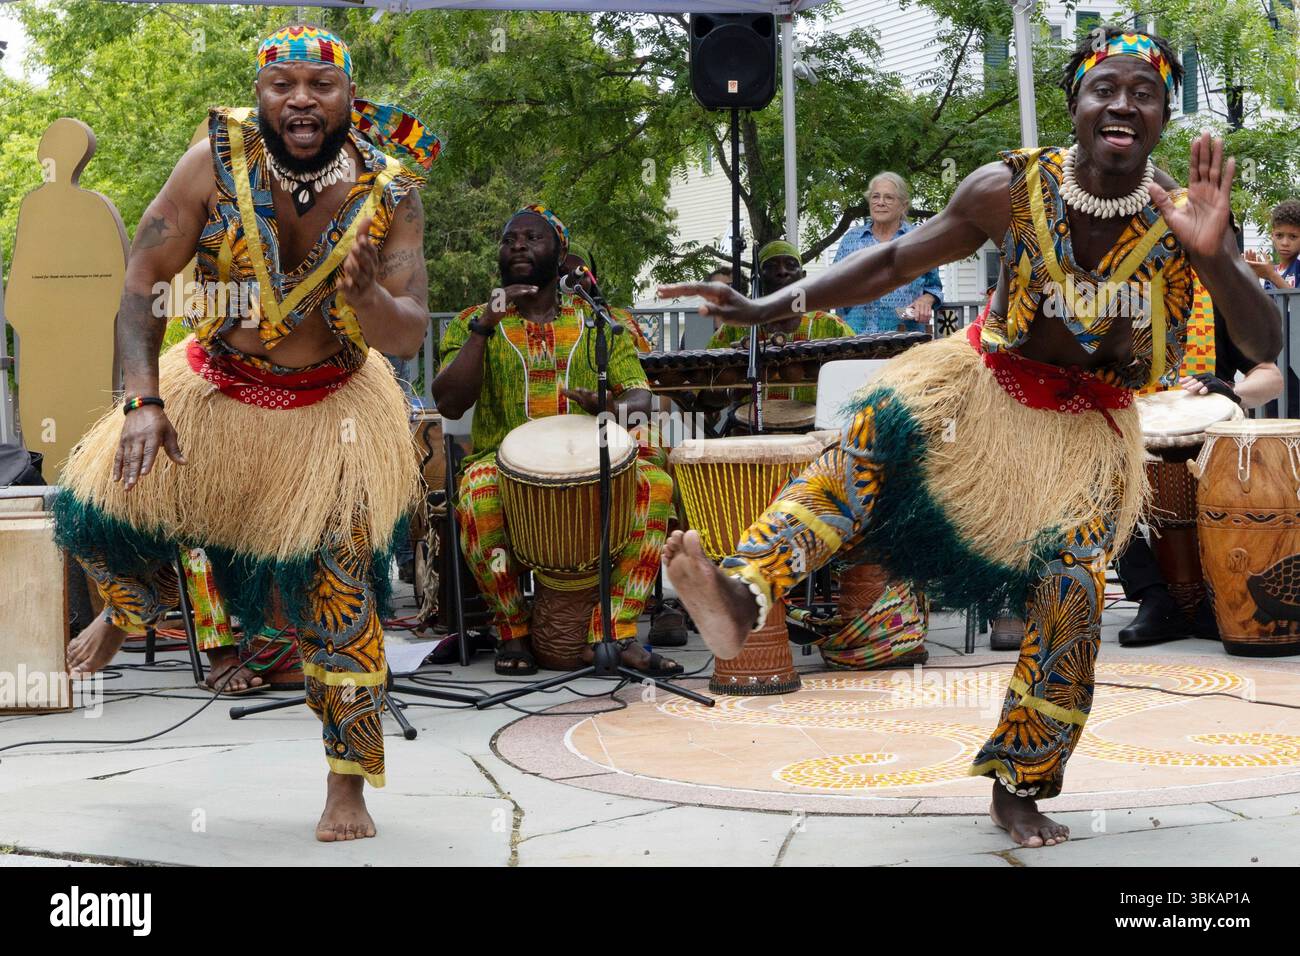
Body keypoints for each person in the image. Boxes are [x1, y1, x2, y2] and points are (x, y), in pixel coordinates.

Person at [659, 27, 1281, 848]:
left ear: (1164, 115)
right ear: (1077, 105)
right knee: (875, 434)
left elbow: (1264, 339)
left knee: (1072, 591)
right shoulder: (1007, 188)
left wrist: (1215, 257)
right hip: (983, 384)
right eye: (1107, 88)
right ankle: (743, 592)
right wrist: (772, 306)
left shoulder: (1185, 213)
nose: (1123, 103)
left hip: (1086, 429)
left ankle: (1021, 782)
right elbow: (890, 265)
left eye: (1145, 92)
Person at [52, 24, 440, 841]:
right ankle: (126, 613)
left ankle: (346, 787)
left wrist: (368, 296)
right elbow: (144, 279)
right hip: (218, 387)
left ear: (347, 97)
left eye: (319, 87)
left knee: (340, 599)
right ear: (260, 95)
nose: (300, 100)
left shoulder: (390, 191)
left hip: (330, 406)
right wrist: (143, 401)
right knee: (95, 509)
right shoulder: (212, 165)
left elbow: (405, 336)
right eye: (282, 86)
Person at [432, 205, 682, 678]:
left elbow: (640, 396)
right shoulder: (472, 320)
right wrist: (484, 327)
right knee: (477, 494)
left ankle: (615, 633)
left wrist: (608, 409)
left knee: (654, 479)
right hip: (503, 466)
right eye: (510, 240)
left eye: (533, 238)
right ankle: (515, 632)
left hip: (592, 464)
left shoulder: (599, 322)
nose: (520, 246)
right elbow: (448, 402)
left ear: (560, 252)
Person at [1117, 276, 1283, 645]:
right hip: (1131, 437)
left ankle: (1214, 595)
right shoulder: (1117, 298)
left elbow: (1270, 378)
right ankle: (1154, 597)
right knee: (1097, 484)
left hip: (1212, 447)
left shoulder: (1218, 297)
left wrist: (1232, 391)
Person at [707, 240, 854, 406]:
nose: (782, 271)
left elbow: (860, 385)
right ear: (757, 278)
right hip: (749, 429)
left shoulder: (831, 327)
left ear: (803, 277)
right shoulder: (735, 327)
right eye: (771, 266)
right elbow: (702, 398)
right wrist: (733, 392)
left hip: (816, 431)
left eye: (791, 265)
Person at [831, 172, 944, 334]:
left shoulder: (919, 241)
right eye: (875, 197)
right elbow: (834, 284)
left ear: (903, 206)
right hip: (856, 337)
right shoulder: (852, 239)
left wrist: (926, 299)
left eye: (889, 198)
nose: (880, 203)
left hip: (905, 337)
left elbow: (934, 287)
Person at [1244, 199, 1300, 290]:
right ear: (1272, 235)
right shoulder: (1272, 271)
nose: (1285, 243)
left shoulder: (1273, 273)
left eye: (1293, 237)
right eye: (1279, 235)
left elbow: (1296, 302)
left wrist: (1271, 275)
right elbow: (1266, 303)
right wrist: (1254, 278)